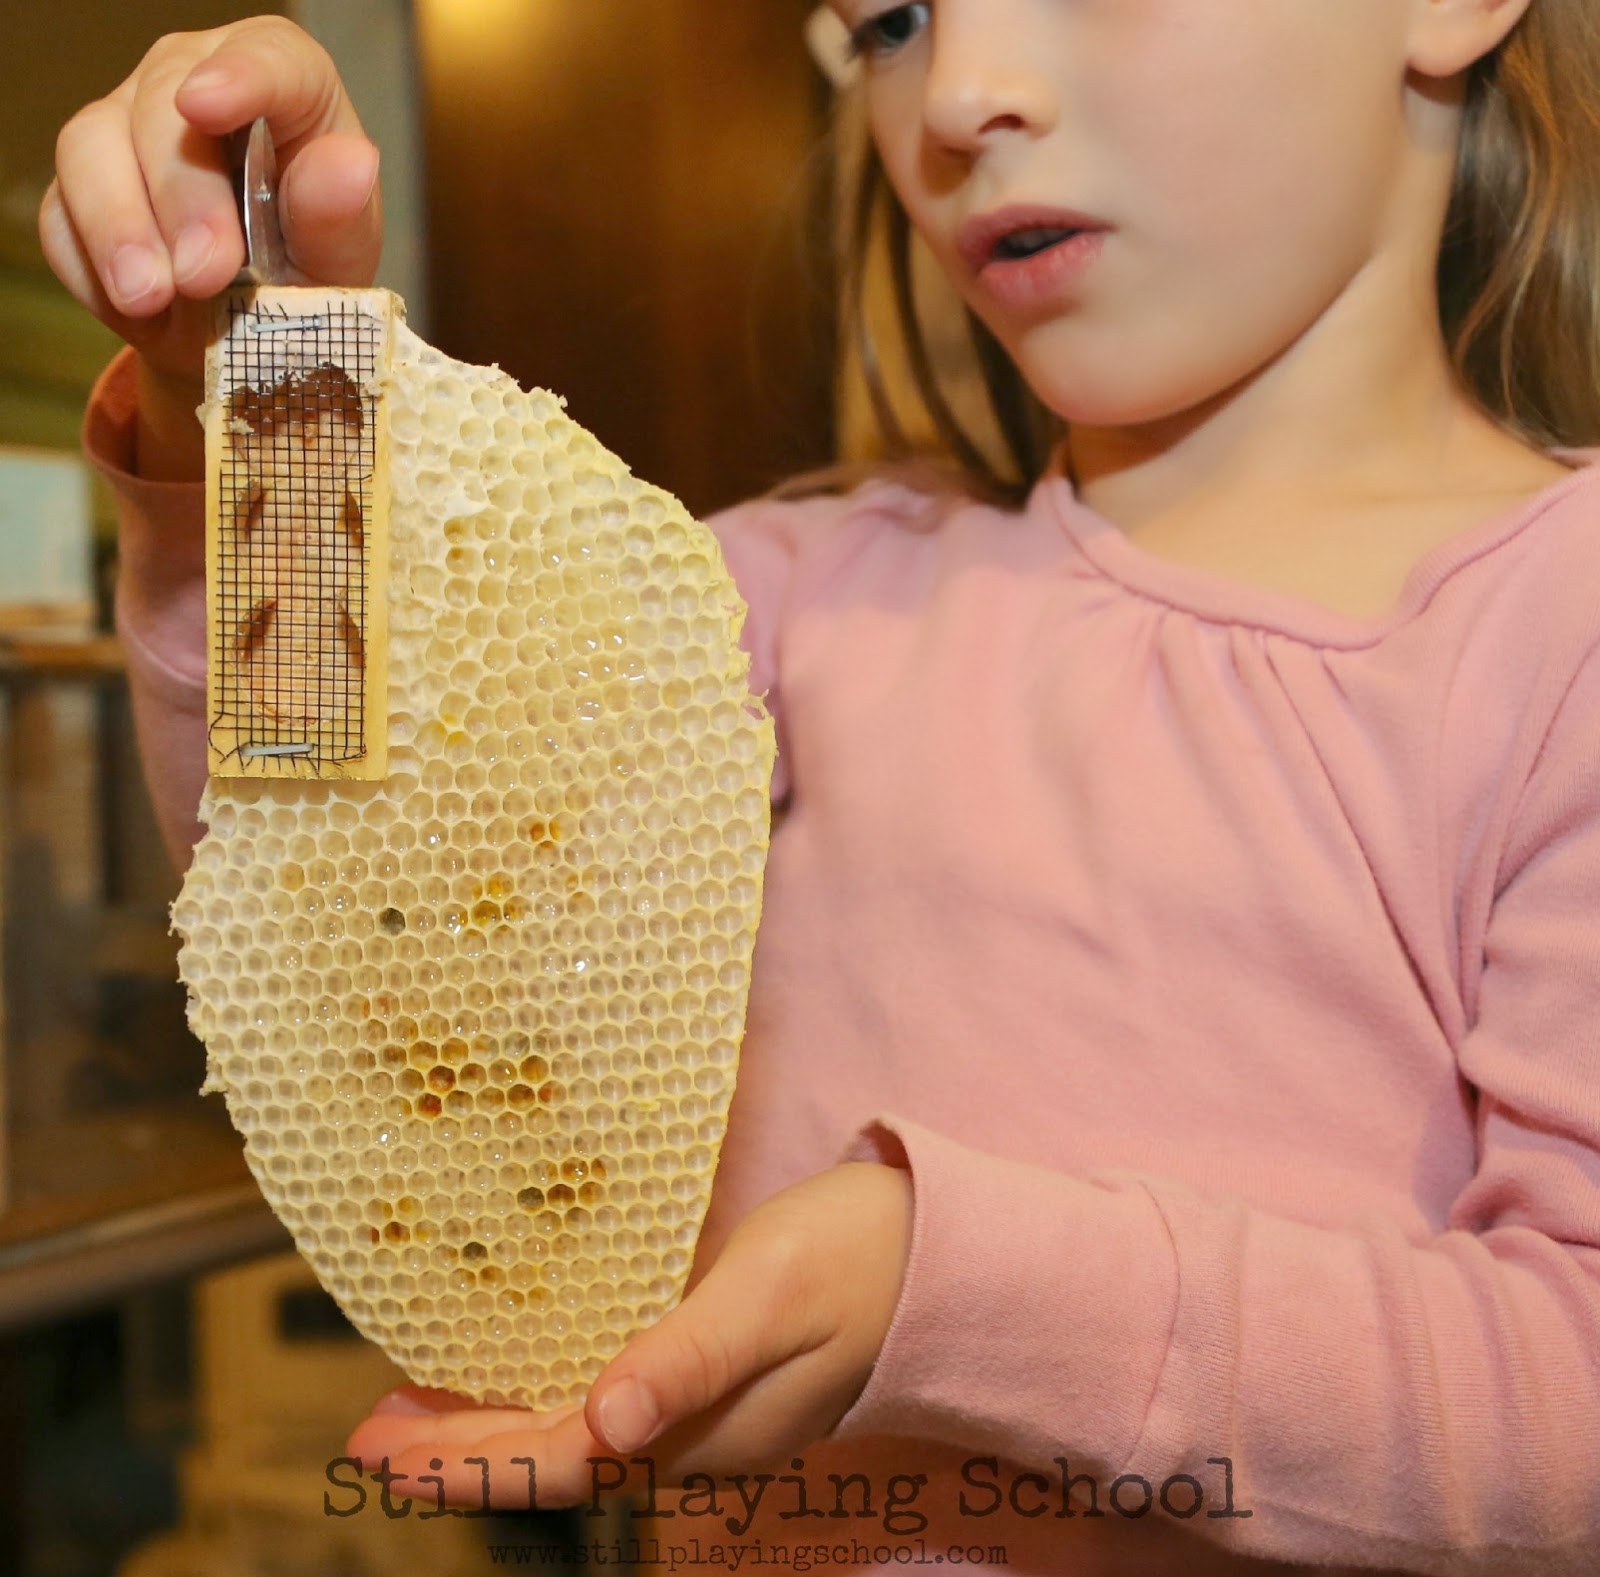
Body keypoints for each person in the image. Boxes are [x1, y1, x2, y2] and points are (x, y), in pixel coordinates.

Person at [41, 4, 1600, 1573]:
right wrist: (261, 390)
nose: (961, 95)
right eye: (897, 20)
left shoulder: (1564, 632)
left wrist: (945, 1288)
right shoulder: (784, 604)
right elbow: (344, 924)